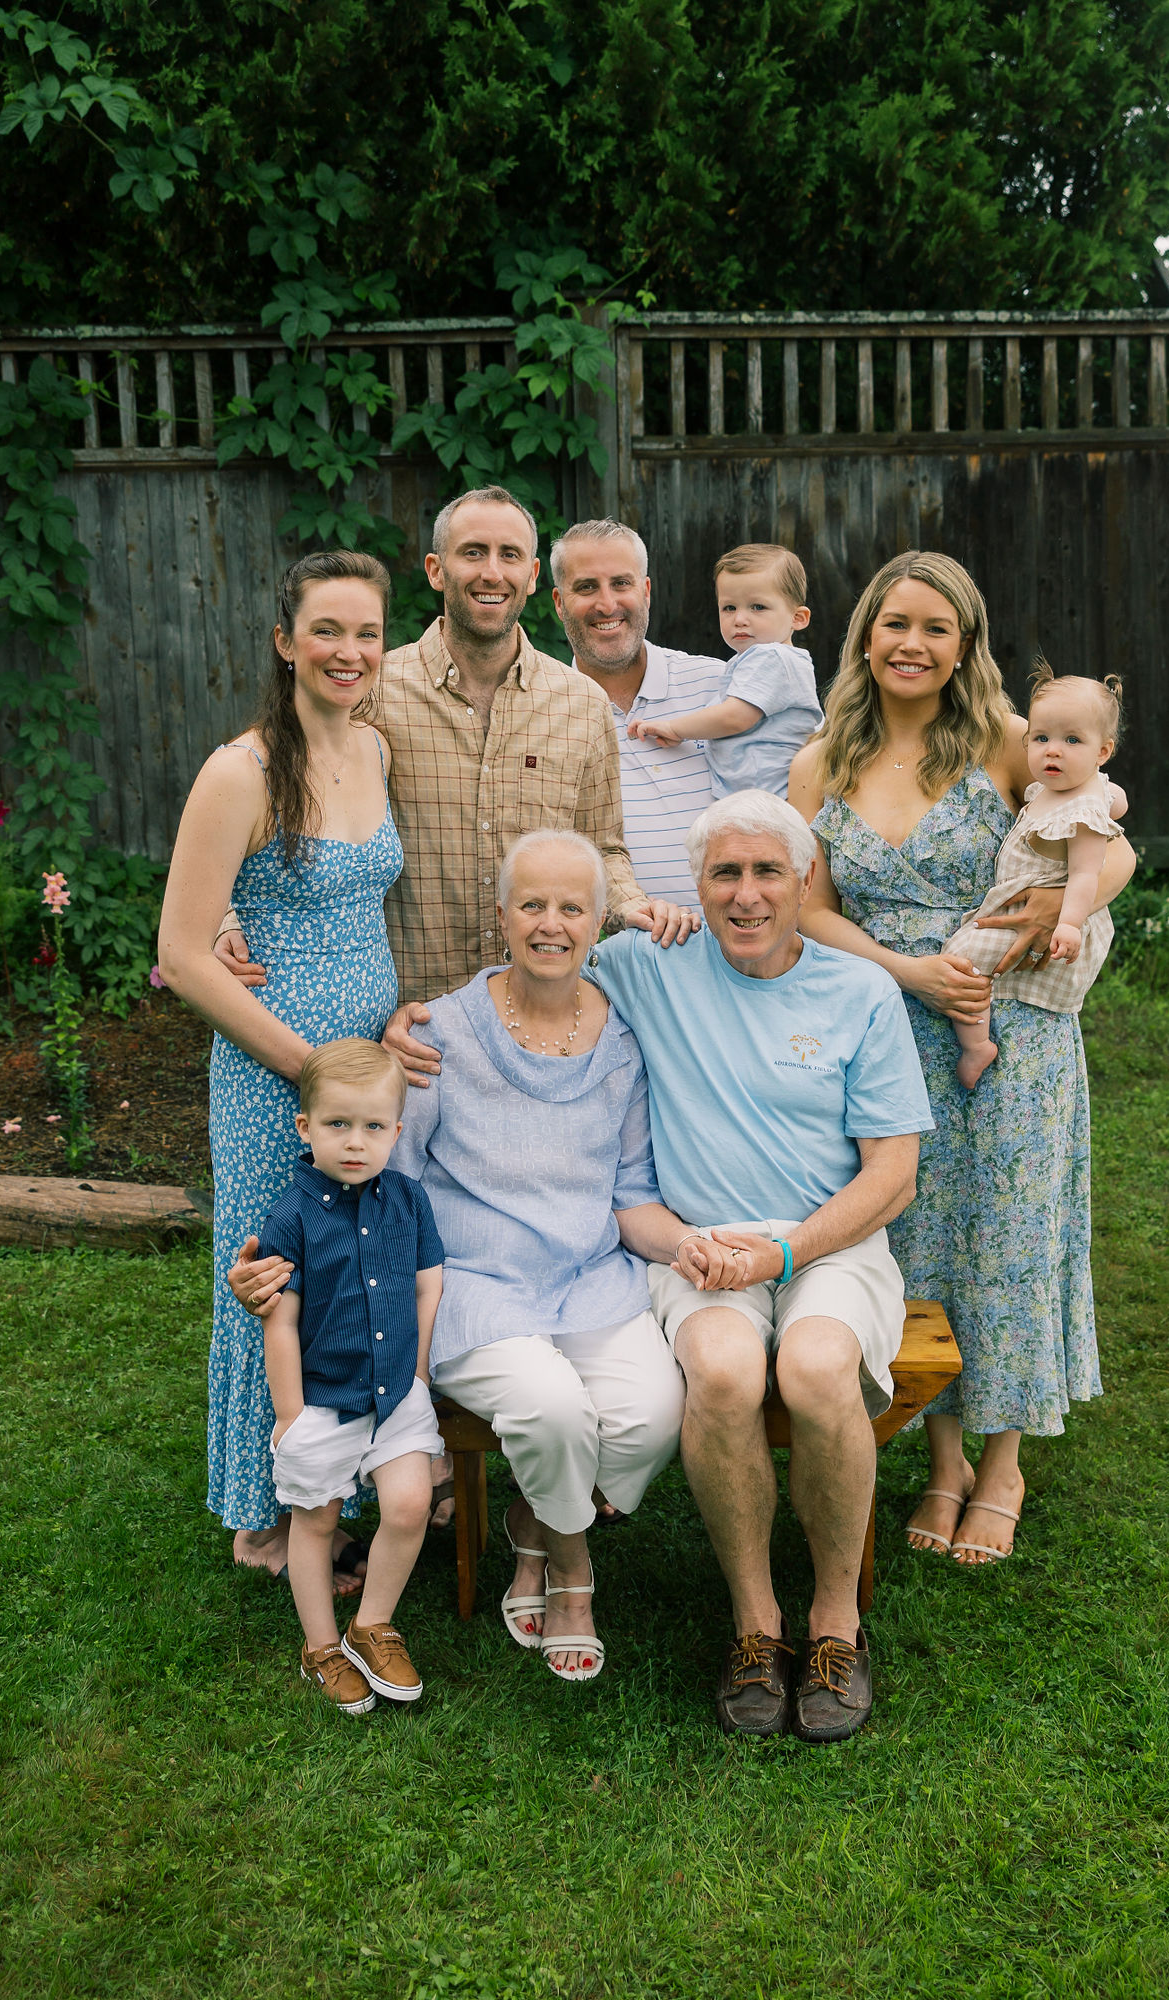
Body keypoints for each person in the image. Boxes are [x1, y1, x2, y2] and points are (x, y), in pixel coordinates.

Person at [386, 792, 934, 1743]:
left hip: (828, 1243)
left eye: (769, 872)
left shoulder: (860, 993)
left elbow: (894, 1173)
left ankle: (836, 1622)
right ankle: (756, 1627)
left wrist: (787, 1249)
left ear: (805, 881)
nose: (747, 895)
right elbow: (536, 964)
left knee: (811, 1368)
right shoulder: (647, 964)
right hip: (699, 1244)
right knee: (721, 1373)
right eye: (725, 874)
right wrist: (412, 1021)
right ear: (696, 888)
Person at [231, 831, 740, 1683]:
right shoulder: (439, 1035)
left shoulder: (622, 1044)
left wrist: (685, 1242)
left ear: (598, 920)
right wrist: (288, 1257)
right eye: (532, 905)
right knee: (552, 1413)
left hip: (588, 1280)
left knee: (652, 1417)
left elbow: (631, 1196)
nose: (552, 924)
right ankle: (570, 1569)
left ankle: (533, 1527)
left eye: (572, 907)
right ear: (501, 917)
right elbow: (380, 1186)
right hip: (471, 1286)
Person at [788, 549, 1136, 1568]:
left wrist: (1056, 907)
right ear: (864, 633)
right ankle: (939, 1457)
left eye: (936, 628)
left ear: (962, 647)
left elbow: (1107, 843)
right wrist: (905, 969)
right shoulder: (820, 760)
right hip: (886, 1021)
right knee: (917, 1241)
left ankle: (1005, 1461)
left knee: (1012, 1233)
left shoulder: (1007, 740)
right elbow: (809, 907)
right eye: (895, 622)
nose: (912, 642)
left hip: (1011, 1019)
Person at [157, 547, 403, 1590]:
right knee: (277, 1277)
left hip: (367, 1074)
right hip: (278, 1074)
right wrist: (310, 1070)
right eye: (327, 631)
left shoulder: (377, 749)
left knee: (350, 1269)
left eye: (366, 633)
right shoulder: (242, 770)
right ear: (284, 640)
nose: (347, 651)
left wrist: (368, 1068)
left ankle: (338, 1487)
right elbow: (179, 950)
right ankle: (263, 1515)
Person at [216, 489, 696, 1009]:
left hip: (535, 1010)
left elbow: (603, 845)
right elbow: (264, 784)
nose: (492, 572)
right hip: (405, 1017)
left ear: (533, 576)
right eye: (472, 552)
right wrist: (226, 915)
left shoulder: (582, 704)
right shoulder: (371, 690)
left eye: (509, 555)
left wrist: (634, 905)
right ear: (435, 569)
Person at [259, 1040, 446, 1714]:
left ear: (397, 1131)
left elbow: (428, 1288)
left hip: (398, 1393)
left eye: (373, 1127)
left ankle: (371, 1623)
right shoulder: (293, 1216)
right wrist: (289, 1415)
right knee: (316, 1521)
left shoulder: (408, 1201)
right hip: (325, 1402)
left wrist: (419, 1374)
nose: (356, 1143)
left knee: (408, 1504)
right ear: (305, 1127)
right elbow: (280, 1322)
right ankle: (321, 1649)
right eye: (338, 1124)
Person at [947, 663, 1129, 1089]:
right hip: (1022, 903)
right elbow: (1115, 798)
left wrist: (1067, 922)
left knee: (962, 962)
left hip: (1051, 915)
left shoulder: (1082, 814)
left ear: (1102, 752)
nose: (1053, 751)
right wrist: (1111, 795)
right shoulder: (1056, 790)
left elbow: (1086, 874)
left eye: (1072, 741)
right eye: (1042, 738)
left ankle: (977, 1045)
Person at [549, 519, 726, 905]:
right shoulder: (545, 713)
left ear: (645, 592)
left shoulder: (722, 686)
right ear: (559, 603)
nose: (607, 604)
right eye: (586, 587)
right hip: (621, 955)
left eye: (621, 583)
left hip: (743, 946)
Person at [627, 543, 823, 799]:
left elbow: (735, 718)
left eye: (758, 607)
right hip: (755, 796)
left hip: (768, 797)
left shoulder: (772, 657)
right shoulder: (755, 660)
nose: (740, 618)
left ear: (798, 618)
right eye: (729, 608)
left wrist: (676, 729)